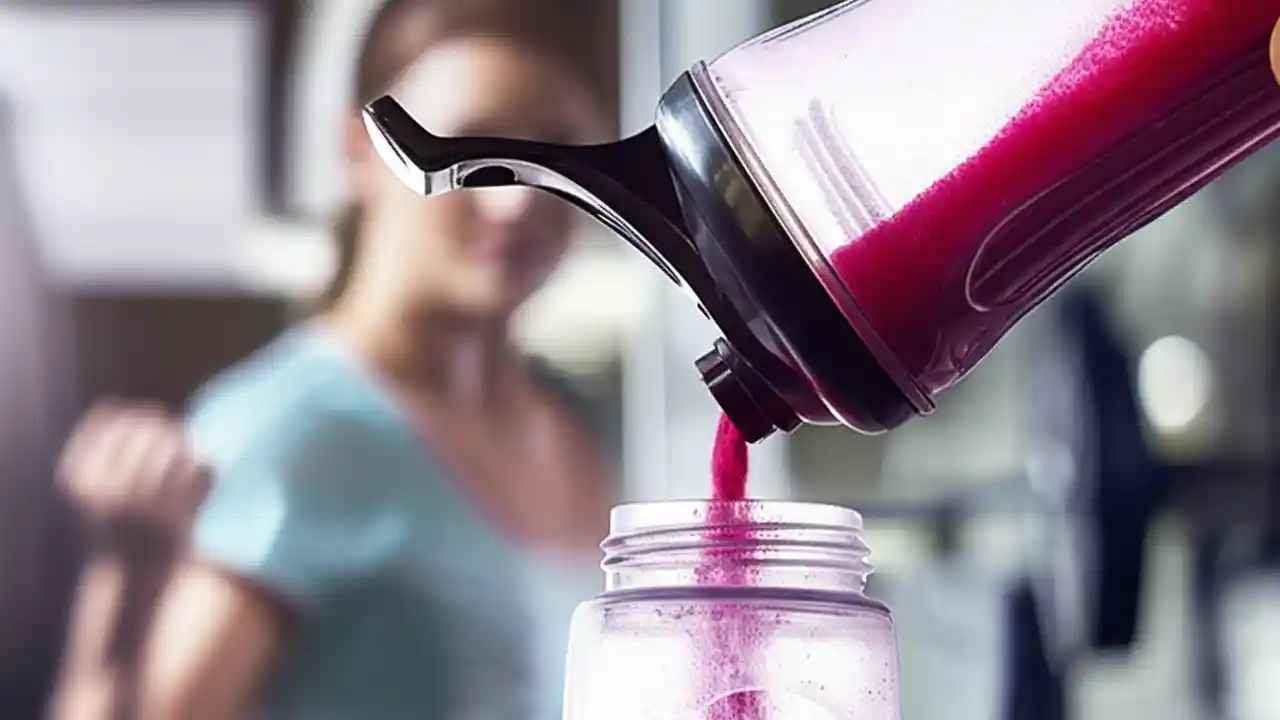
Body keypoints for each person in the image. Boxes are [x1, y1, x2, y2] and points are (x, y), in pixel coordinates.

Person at [49, 1, 614, 718]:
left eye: (556, 153)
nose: (515, 204)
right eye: (472, 149)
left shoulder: (568, 427)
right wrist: (121, 598)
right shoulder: (292, 433)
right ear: (357, 152)